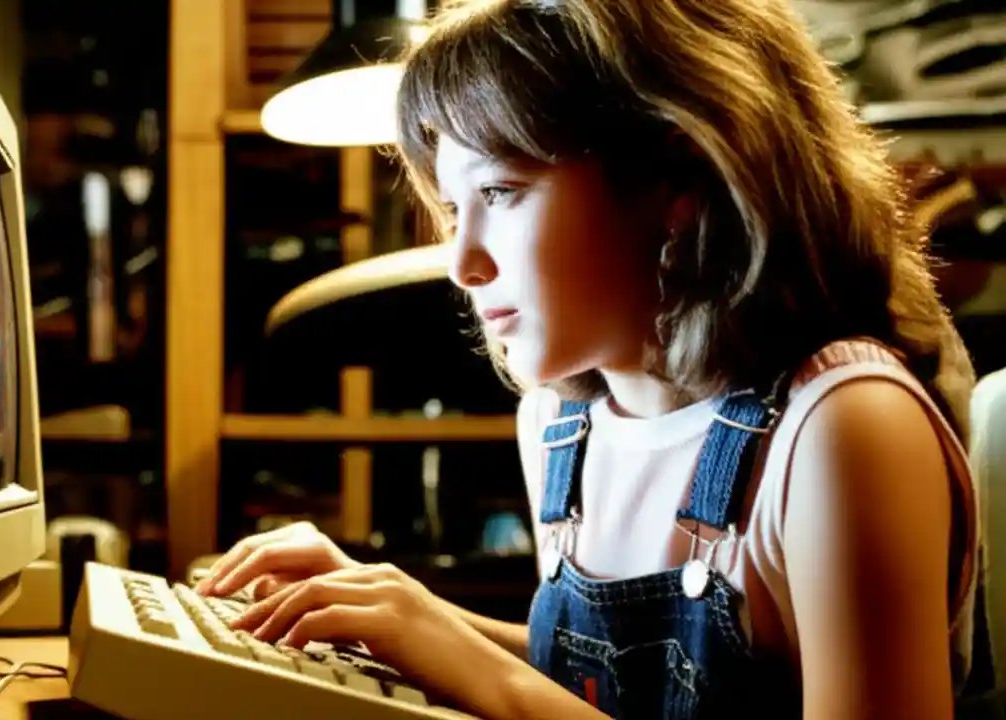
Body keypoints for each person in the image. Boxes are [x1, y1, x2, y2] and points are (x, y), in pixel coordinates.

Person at [195, 0, 986, 717]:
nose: (463, 263)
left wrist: (490, 681)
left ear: (678, 177)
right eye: (449, 207)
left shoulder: (843, 427)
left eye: (502, 192)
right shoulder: (559, 423)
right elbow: (608, 689)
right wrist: (399, 613)